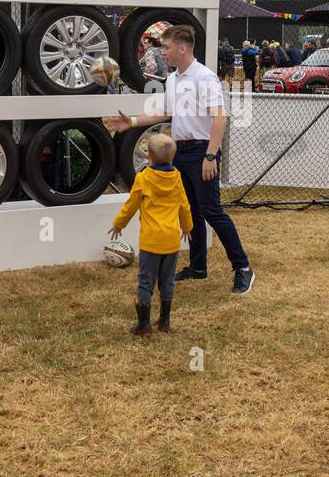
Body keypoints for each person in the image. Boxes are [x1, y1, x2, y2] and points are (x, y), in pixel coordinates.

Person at [106, 23, 255, 295]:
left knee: (212, 212)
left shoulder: (205, 78)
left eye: (166, 47)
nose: (162, 52)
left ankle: (243, 268)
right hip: (181, 152)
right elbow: (165, 113)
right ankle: (198, 268)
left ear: (182, 48)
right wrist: (132, 122)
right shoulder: (173, 78)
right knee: (192, 212)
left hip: (202, 152)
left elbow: (219, 117)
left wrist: (211, 154)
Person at [109, 132, 193, 335]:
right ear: (172, 158)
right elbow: (184, 205)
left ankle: (144, 325)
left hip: (151, 242)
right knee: (168, 281)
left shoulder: (143, 178)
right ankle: (164, 322)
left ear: (149, 158)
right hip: (171, 240)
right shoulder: (177, 177)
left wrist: (119, 224)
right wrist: (187, 227)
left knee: (146, 282)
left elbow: (131, 205)